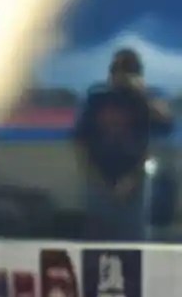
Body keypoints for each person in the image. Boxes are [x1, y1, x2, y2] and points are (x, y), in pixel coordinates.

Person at [73, 48, 174, 240]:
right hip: (99, 180)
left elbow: (166, 126)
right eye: (116, 69)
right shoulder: (97, 99)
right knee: (97, 241)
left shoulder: (145, 101)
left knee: (133, 242)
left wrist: (142, 93)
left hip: (134, 181)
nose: (121, 75)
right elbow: (80, 141)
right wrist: (94, 177)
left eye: (127, 69)